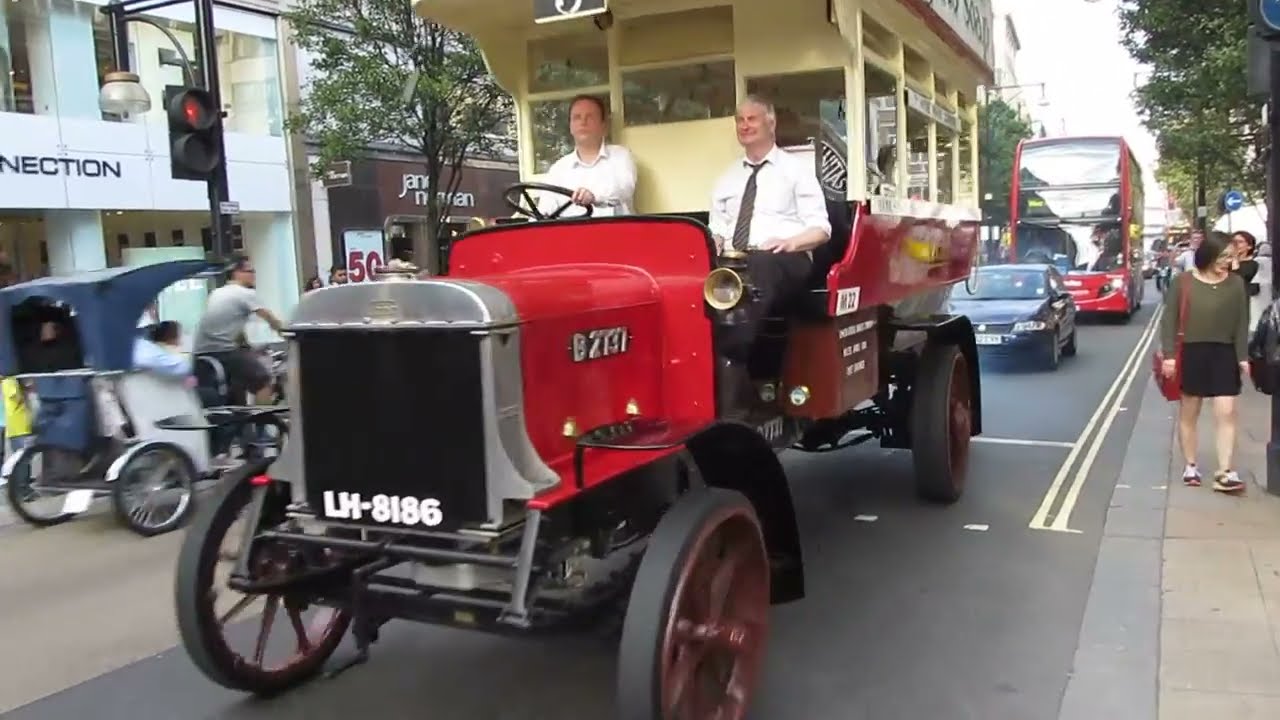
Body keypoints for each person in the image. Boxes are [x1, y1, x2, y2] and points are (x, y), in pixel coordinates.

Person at [706, 94, 831, 409]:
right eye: (740, 120)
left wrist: (790, 242)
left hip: (787, 260)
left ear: (770, 123)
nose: (744, 125)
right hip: (735, 261)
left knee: (759, 266)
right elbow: (717, 227)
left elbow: (821, 229)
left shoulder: (795, 170)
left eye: (752, 119)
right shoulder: (727, 177)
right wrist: (716, 241)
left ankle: (731, 366)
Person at [1159, 231, 1251, 493]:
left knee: (1227, 411)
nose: (1228, 262)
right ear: (1208, 255)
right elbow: (1169, 321)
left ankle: (1225, 472)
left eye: (1232, 257)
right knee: (1190, 411)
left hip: (1224, 353)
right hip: (1191, 351)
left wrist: (1243, 357)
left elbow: (1241, 323)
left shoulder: (1235, 284)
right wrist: (1169, 356)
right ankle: (1191, 465)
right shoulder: (1184, 282)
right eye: (1224, 257)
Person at [192, 255, 285, 404]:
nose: (254, 275)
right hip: (223, 351)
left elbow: (229, 325)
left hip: (201, 354)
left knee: (237, 387)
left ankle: (242, 422)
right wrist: (287, 333)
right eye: (250, 271)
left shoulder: (217, 293)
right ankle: (265, 421)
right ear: (237, 272)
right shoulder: (245, 293)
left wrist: (248, 347)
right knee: (262, 380)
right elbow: (270, 318)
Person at [542, 95, 637, 217]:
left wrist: (594, 197)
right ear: (570, 126)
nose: (583, 122)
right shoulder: (558, 170)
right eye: (577, 117)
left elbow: (625, 189)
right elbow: (543, 212)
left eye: (590, 117)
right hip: (571, 235)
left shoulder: (621, 156)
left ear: (604, 125)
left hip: (617, 233)